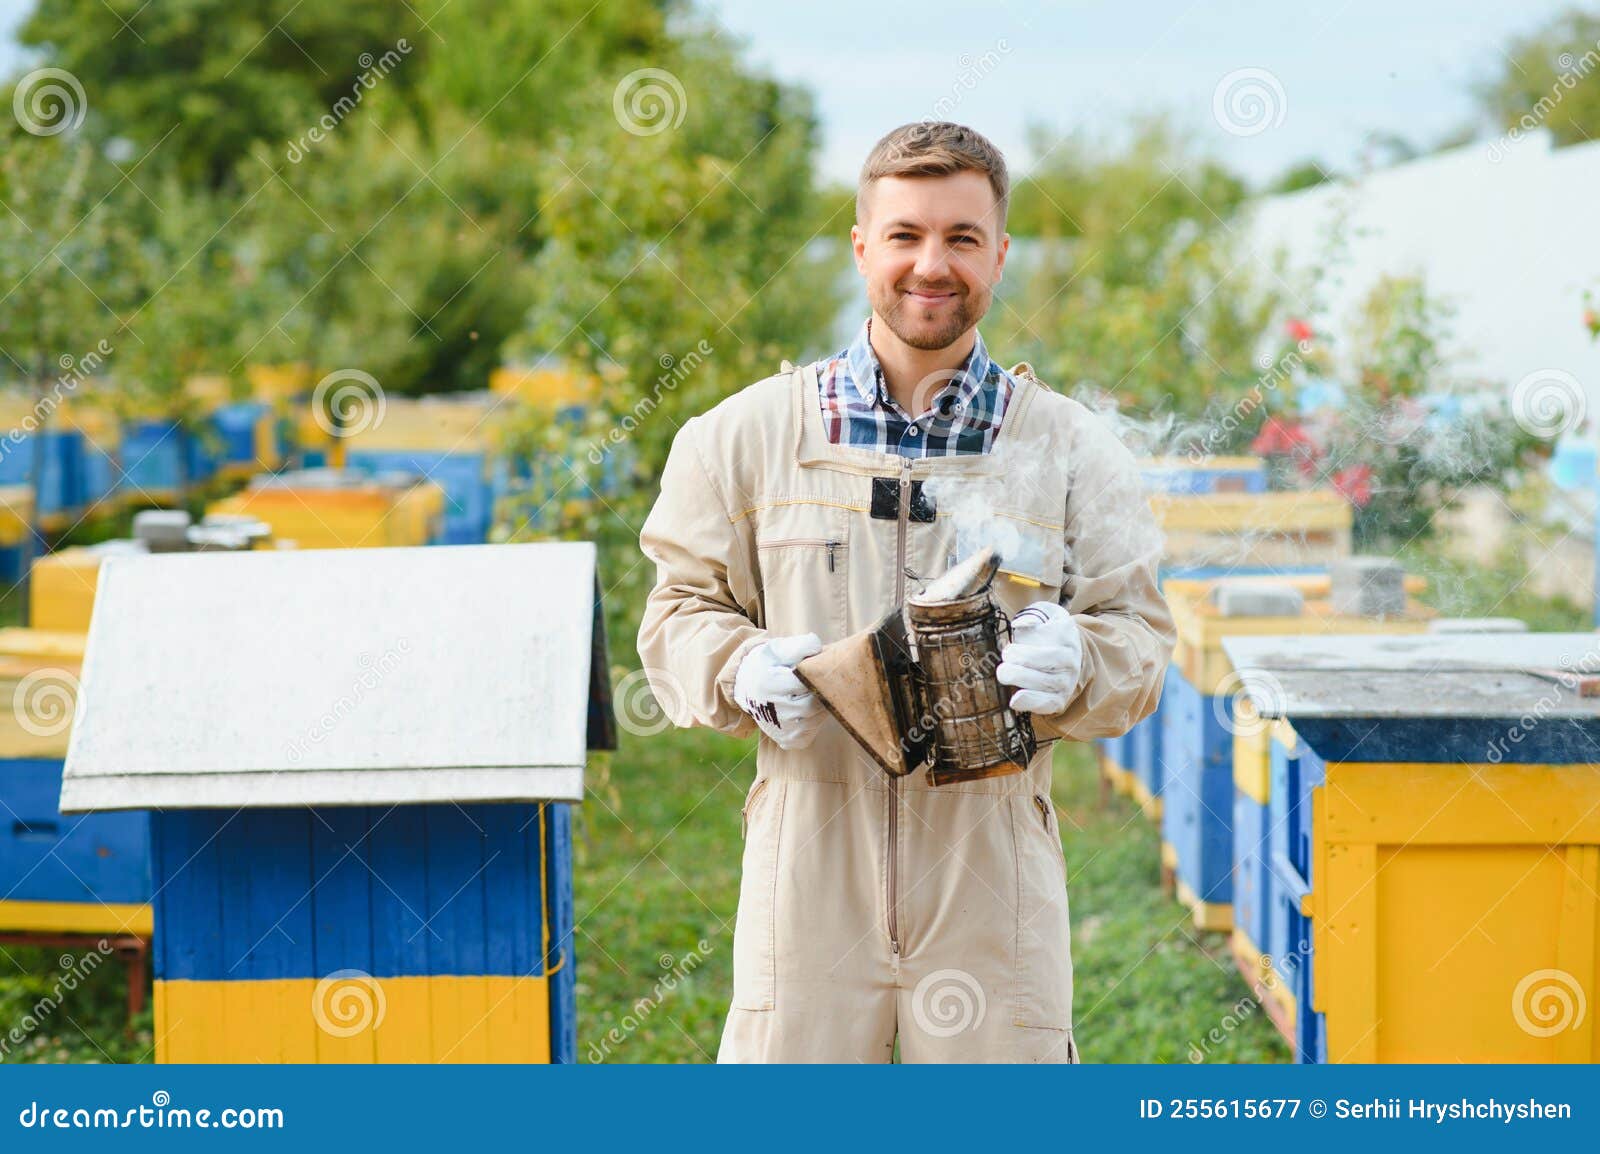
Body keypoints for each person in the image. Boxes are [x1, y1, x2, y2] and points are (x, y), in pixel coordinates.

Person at [638, 121, 1175, 1062]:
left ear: (1000, 254)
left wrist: (1084, 658)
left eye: (963, 237)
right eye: (905, 235)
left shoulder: (1073, 448)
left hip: (991, 882)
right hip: (808, 876)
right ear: (861, 248)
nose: (933, 264)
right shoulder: (740, 437)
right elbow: (677, 610)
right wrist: (739, 663)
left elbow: (1139, 637)